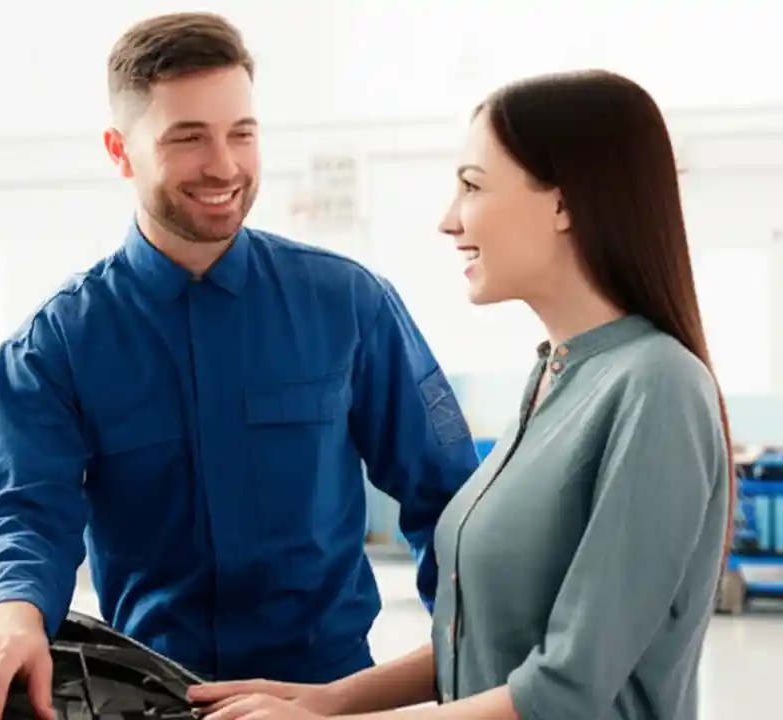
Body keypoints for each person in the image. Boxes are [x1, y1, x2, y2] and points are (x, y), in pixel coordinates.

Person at [0, 12, 479, 720]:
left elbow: (452, 503)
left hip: (326, 697)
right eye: (187, 138)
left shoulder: (348, 305)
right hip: (150, 694)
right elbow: (27, 511)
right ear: (120, 151)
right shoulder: (56, 345)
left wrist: (467, 654)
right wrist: (9, 611)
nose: (224, 165)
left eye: (241, 134)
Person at [187, 69, 735, 720]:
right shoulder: (554, 377)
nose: (449, 220)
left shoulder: (658, 387)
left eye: (472, 186)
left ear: (565, 203)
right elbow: (483, 640)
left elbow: (566, 687)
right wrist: (328, 699)